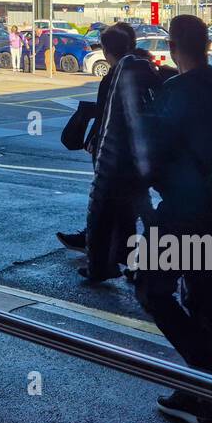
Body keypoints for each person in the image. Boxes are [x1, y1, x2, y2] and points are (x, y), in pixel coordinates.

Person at [132, 15, 212, 423]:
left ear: (174, 45)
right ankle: (201, 394)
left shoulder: (176, 91)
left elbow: (151, 154)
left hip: (186, 212)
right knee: (201, 292)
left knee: (151, 288)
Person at [74, 25, 159, 285]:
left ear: (106, 49)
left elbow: (107, 118)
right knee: (138, 212)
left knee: (102, 213)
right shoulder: (145, 69)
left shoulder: (116, 74)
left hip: (116, 158)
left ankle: (103, 266)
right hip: (140, 158)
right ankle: (133, 263)